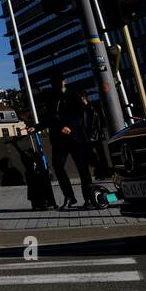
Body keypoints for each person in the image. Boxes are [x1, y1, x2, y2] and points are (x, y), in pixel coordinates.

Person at [44, 76, 93, 210]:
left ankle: (89, 198)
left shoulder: (73, 95)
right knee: (58, 166)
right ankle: (69, 197)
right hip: (60, 140)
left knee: (83, 169)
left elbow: (80, 115)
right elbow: (49, 118)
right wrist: (35, 127)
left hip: (75, 138)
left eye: (58, 82)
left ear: (63, 81)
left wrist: (70, 127)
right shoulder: (52, 99)